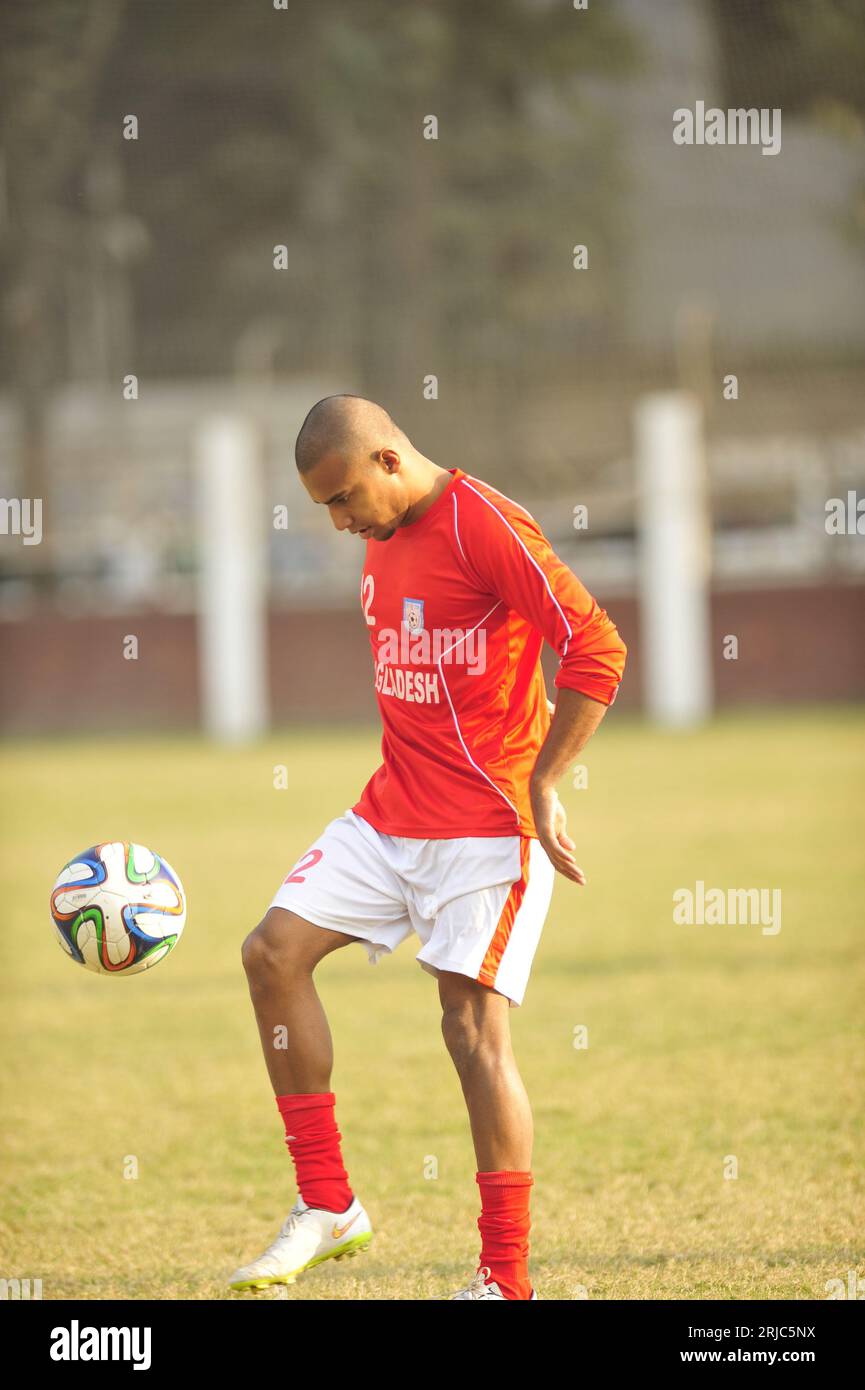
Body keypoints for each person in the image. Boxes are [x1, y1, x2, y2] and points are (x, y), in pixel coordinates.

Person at [229, 394, 627, 1300]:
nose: (337, 523)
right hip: (388, 814)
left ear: (389, 462)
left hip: (486, 829)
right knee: (270, 954)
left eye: (340, 499)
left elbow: (595, 647)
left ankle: (503, 1280)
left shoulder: (484, 523)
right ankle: (327, 1205)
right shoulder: (382, 535)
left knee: (472, 1033)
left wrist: (547, 780)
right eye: (322, 507)